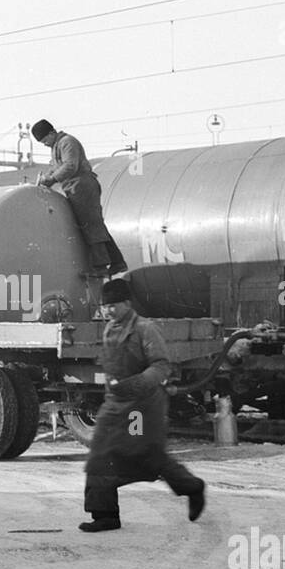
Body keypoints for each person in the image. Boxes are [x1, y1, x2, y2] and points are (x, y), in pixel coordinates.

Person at [80, 278, 205, 532]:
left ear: (127, 303)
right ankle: (105, 515)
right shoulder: (109, 329)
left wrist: (136, 384)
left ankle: (192, 487)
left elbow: (161, 365)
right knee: (99, 456)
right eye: (105, 306)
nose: (109, 311)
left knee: (148, 455)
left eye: (114, 305)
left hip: (143, 405)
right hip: (115, 404)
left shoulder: (145, 329)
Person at [31, 119, 128, 278]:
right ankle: (117, 262)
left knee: (89, 225)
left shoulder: (67, 142)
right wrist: (47, 177)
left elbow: (70, 166)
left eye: (45, 140)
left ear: (51, 133)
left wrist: (52, 179)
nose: (45, 144)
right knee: (95, 223)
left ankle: (101, 266)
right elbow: (57, 168)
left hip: (82, 185)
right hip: (73, 187)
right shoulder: (57, 146)